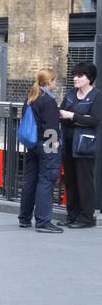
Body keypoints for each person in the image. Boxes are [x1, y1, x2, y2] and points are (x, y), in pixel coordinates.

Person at [18, 69, 64, 233]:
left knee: (30, 180)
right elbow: (50, 127)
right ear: (50, 82)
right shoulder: (48, 101)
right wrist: (55, 144)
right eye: (54, 80)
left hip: (32, 145)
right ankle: (43, 222)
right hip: (47, 145)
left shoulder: (31, 98)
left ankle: (24, 218)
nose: (55, 83)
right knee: (47, 180)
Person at [58, 63, 98, 228]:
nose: (75, 78)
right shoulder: (71, 94)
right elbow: (60, 113)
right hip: (68, 142)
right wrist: (80, 118)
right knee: (70, 180)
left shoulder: (97, 96)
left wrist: (73, 116)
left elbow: (95, 120)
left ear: (89, 79)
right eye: (74, 75)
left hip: (85, 144)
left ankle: (87, 217)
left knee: (84, 181)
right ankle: (72, 215)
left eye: (79, 76)